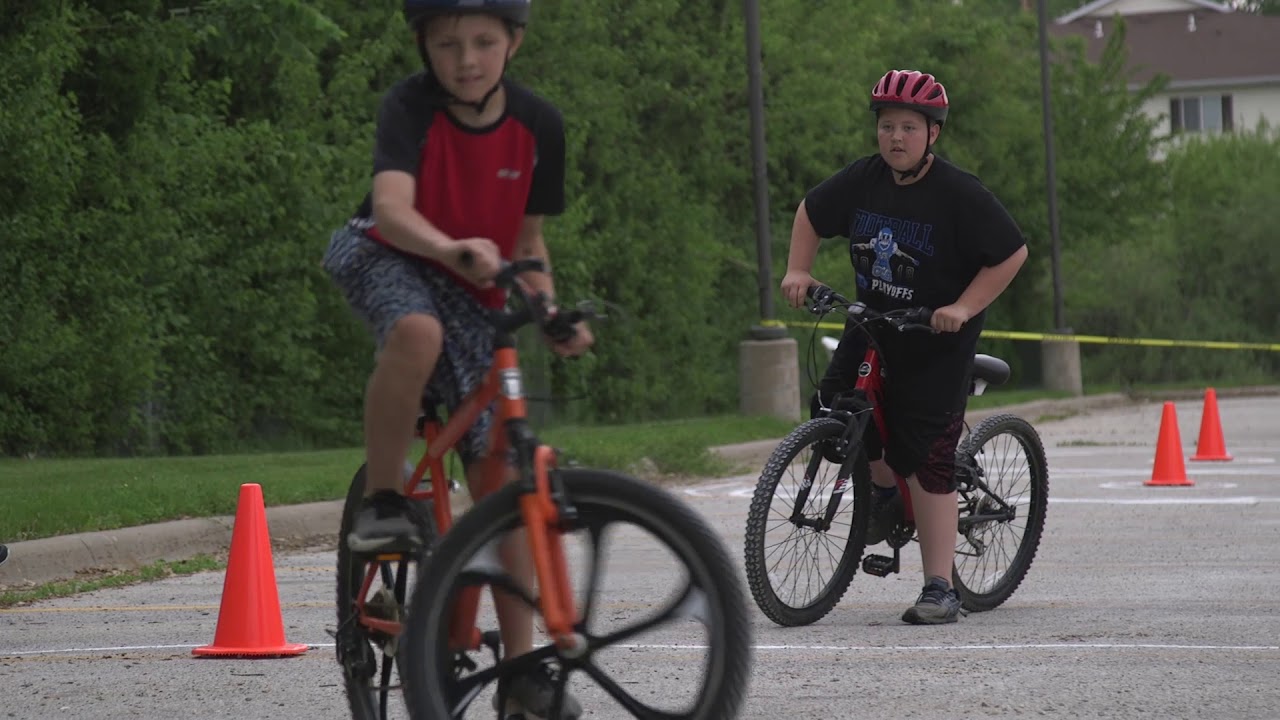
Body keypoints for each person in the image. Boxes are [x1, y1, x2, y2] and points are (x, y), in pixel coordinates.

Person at [322, 0, 591, 716]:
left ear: (513, 43)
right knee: (418, 333)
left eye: (482, 42)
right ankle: (384, 503)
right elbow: (391, 208)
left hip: (477, 276)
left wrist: (550, 311)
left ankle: (522, 669)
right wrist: (449, 249)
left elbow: (528, 243)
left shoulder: (539, 125)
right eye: (447, 45)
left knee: (503, 478)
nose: (466, 60)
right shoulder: (409, 107)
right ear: (424, 47)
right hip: (391, 254)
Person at [780, 69, 1028, 625]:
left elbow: (1012, 253)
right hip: (873, 322)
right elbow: (811, 212)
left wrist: (962, 307)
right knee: (834, 407)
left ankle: (940, 587)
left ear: (932, 134)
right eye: (887, 126)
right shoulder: (863, 179)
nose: (895, 137)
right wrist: (798, 269)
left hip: (935, 338)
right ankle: (887, 494)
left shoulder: (959, 193)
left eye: (909, 128)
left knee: (928, 457)